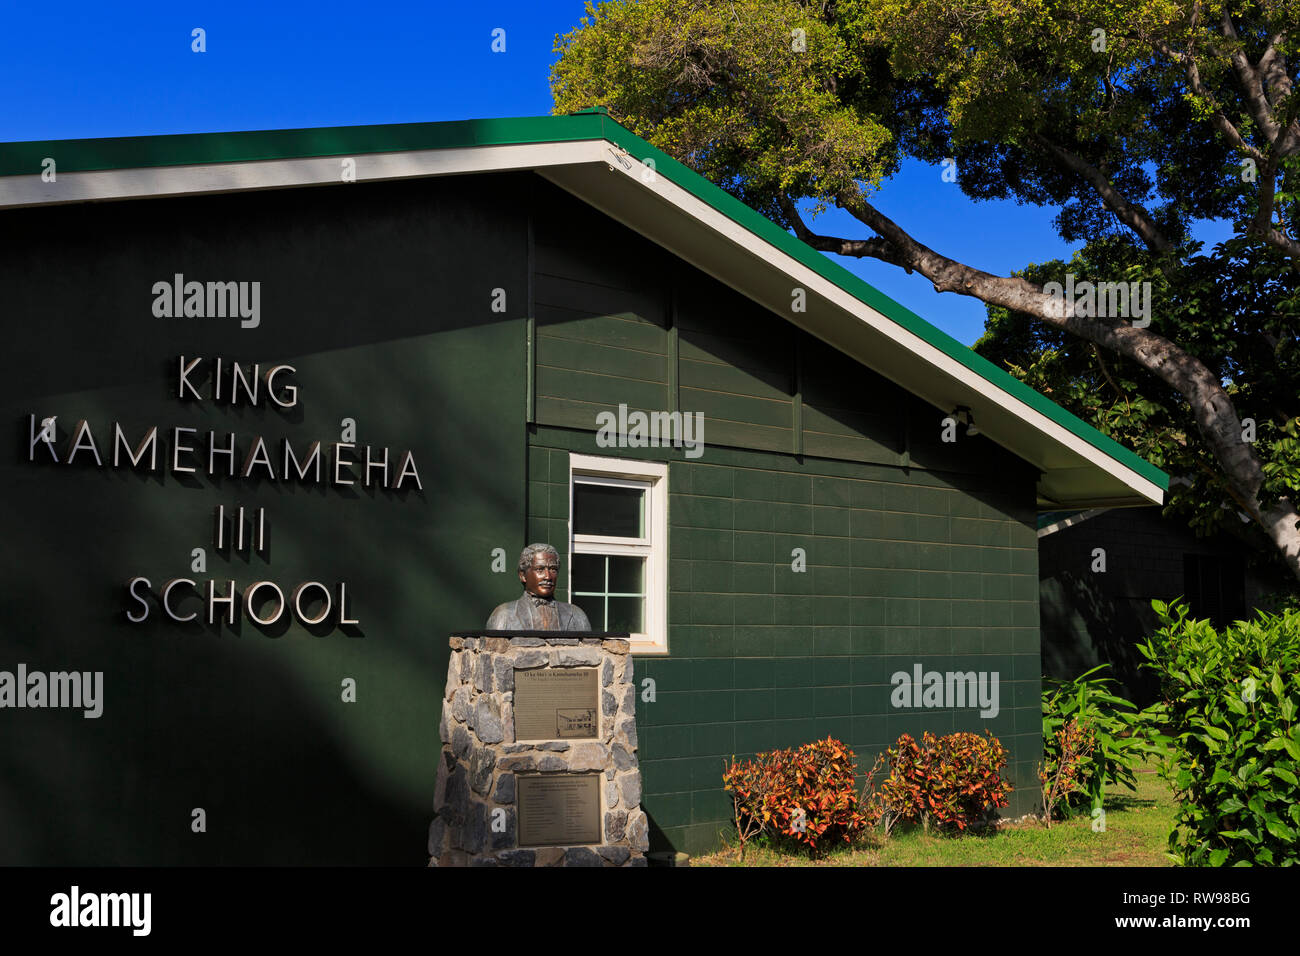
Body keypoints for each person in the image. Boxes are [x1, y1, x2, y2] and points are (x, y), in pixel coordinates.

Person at [486, 543, 592, 631]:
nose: (548, 576)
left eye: (553, 569)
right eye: (540, 569)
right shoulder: (504, 615)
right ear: (523, 575)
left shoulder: (577, 615)